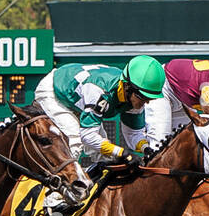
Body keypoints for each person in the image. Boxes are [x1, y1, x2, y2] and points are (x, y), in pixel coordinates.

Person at [34, 56, 167, 171]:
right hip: (53, 91)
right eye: (143, 97)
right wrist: (122, 152)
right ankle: (56, 196)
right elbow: (87, 135)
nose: (146, 103)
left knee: (106, 155)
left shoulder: (131, 95)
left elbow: (133, 134)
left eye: (149, 98)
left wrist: (146, 148)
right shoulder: (100, 91)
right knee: (74, 140)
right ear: (127, 87)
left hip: (78, 99)